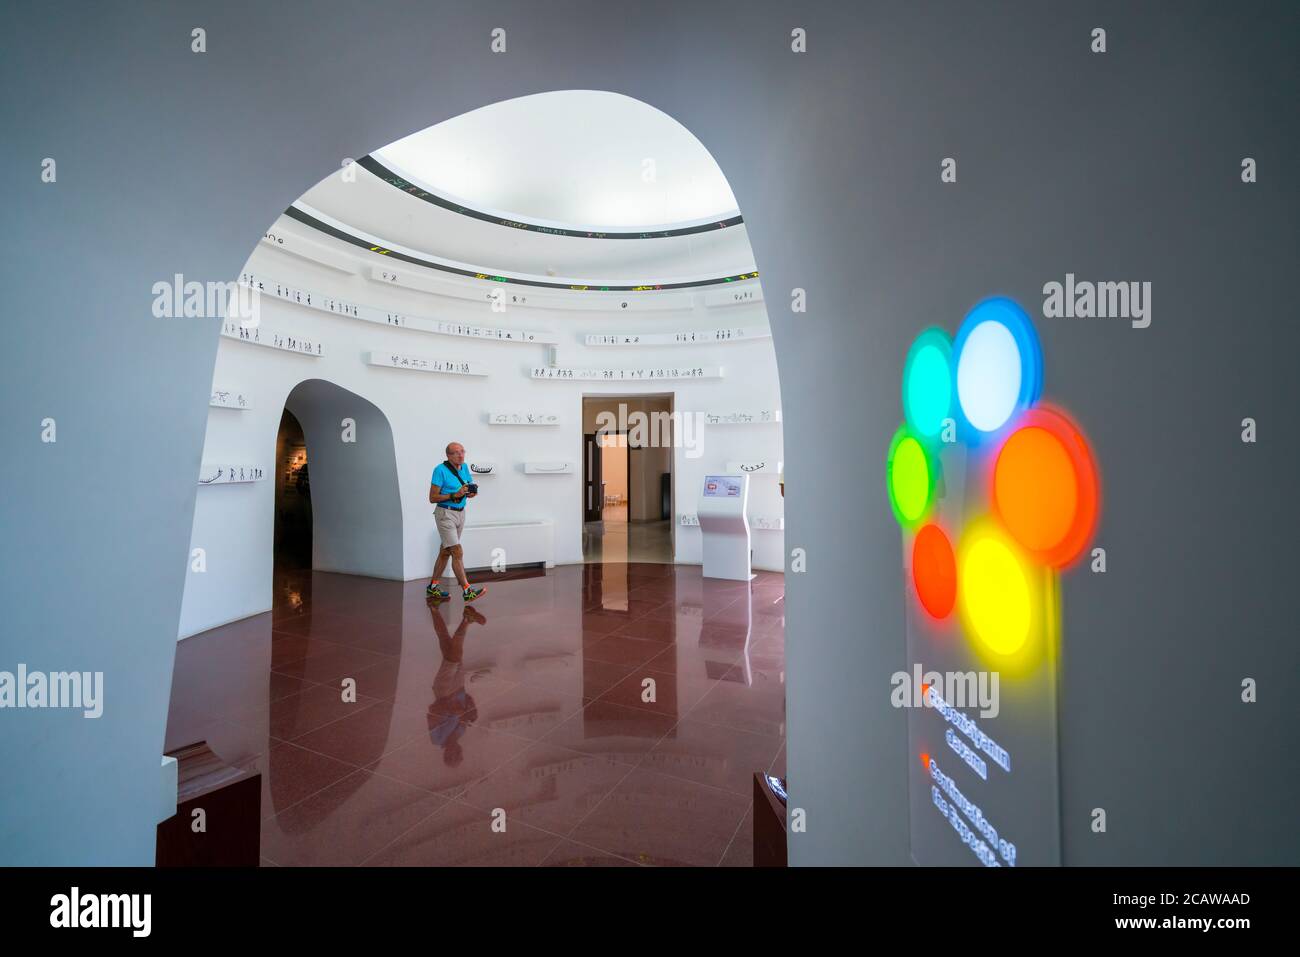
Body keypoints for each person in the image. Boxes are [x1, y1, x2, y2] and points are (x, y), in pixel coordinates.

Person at [427, 441, 487, 602]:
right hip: (445, 513)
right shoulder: (439, 470)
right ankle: (467, 591)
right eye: (456, 452)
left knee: (446, 551)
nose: (461, 455)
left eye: (462, 451)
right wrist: (454, 494)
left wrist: (469, 493)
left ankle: (433, 587)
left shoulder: (465, 467)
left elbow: (465, 487)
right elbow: (432, 498)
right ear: (448, 455)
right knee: (457, 551)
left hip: (461, 513)